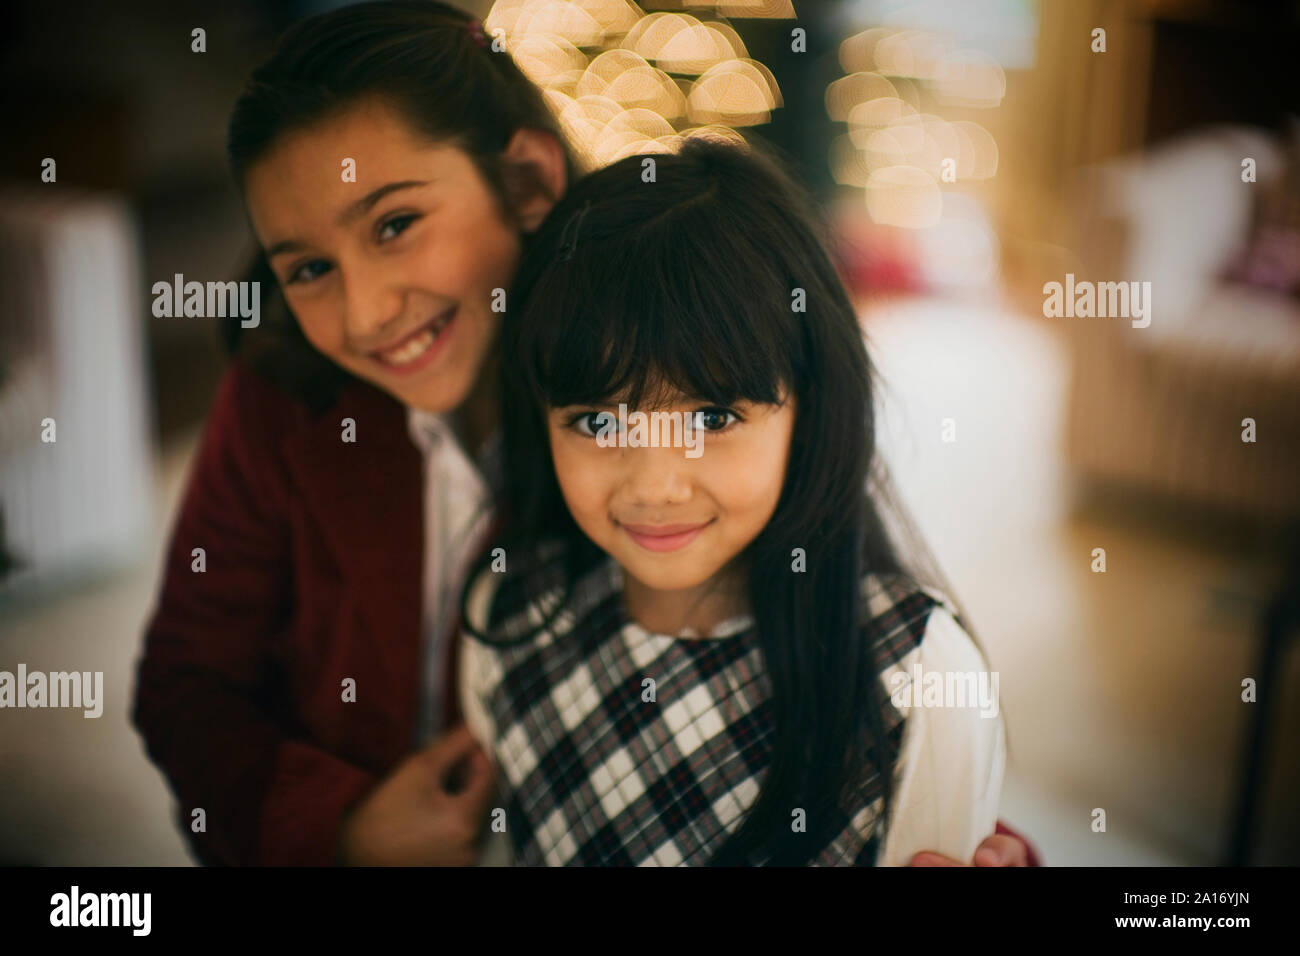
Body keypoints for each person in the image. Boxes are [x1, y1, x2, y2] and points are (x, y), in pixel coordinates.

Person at [134, 0, 1036, 868]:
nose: (368, 310)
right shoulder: (280, 404)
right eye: (310, 268)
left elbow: (864, 682)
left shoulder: (675, 327)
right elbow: (185, 681)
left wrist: (972, 837)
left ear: (527, 182)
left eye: (397, 224)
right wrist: (340, 829)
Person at [457, 136, 1019, 866]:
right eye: (597, 422)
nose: (656, 485)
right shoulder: (512, 613)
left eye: (712, 418)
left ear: (809, 408)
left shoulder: (916, 678)